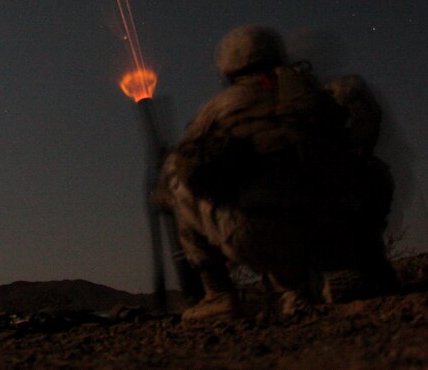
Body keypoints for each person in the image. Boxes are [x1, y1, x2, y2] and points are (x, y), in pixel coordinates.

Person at [155, 25, 394, 320]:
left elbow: (183, 172)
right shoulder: (319, 95)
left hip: (260, 235)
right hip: (335, 227)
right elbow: (365, 130)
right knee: (371, 167)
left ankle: (218, 293)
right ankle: (357, 265)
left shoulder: (218, 109)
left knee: (176, 174)